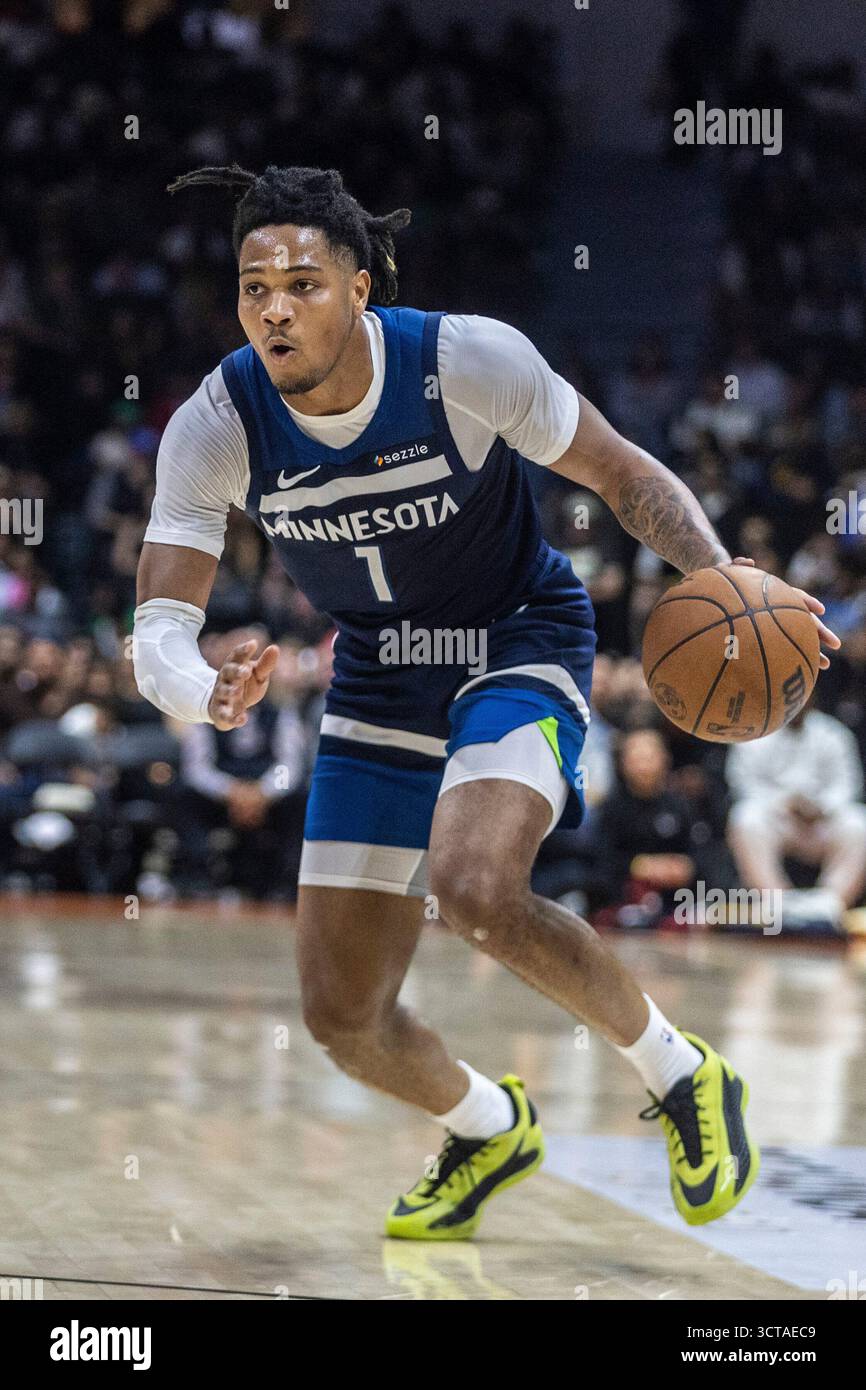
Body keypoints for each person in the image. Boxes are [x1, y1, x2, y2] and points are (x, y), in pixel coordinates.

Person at [132, 163, 838, 1238]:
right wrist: (202, 688)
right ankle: (485, 1125)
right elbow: (156, 634)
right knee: (341, 1016)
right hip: (376, 666)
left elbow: (622, 473)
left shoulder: (462, 360)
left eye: (304, 282)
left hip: (516, 635)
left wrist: (720, 582)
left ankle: (678, 1071)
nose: (274, 305)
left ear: (359, 288)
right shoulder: (216, 420)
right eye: (252, 285)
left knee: (471, 883)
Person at [726, 698, 866, 928]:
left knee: (858, 822)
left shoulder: (832, 733)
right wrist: (785, 804)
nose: (796, 706)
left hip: (821, 823)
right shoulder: (754, 734)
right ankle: (776, 901)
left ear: (812, 700)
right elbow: (744, 785)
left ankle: (830, 904)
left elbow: (848, 785)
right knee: (745, 817)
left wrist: (821, 807)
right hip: (779, 821)